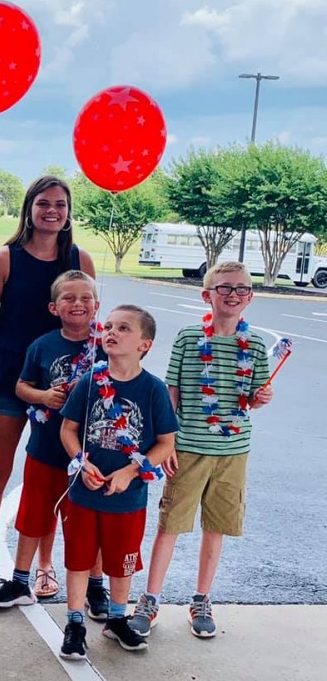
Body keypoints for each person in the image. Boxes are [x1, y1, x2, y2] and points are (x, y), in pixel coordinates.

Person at [0, 175, 95, 599]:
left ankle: (45, 564)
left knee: (51, 475)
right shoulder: (4, 259)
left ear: (68, 213)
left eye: (60, 204)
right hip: (6, 377)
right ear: (29, 209)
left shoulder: (79, 260)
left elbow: (87, 319)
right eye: (43, 203)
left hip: (62, 383)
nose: (52, 211)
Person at [128, 262, 273, 640]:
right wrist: (168, 441)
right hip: (189, 447)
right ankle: (150, 598)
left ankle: (202, 599)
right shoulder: (189, 338)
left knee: (216, 526)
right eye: (224, 287)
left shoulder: (256, 345)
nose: (232, 295)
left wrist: (262, 397)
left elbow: (252, 397)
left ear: (250, 297)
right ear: (207, 295)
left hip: (233, 450)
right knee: (170, 523)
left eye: (241, 289)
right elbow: (172, 392)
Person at [0, 270, 106, 615]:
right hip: (45, 449)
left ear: (97, 305)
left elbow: (127, 381)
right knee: (33, 515)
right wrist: (44, 396)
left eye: (86, 298)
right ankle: (20, 581)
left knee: (88, 521)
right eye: (69, 298)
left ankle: (96, 586)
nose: (78, 304)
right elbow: (21, 387)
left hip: (93, 453)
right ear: (54, 308)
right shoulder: (42, 345)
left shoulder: (107, 345)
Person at [59, 305, 178, 660]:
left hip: (128, 498)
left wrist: (130, 471)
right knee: (78, 559)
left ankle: (116, 618)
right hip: (84, 493)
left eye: (123, 328)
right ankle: (75, 622)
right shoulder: (90, 382)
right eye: (108, 326)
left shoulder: (153, 389)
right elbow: (68, 430)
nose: (111, 332)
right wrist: (81, 462)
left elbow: (165, 443)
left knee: (122, 561)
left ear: (144, 345)